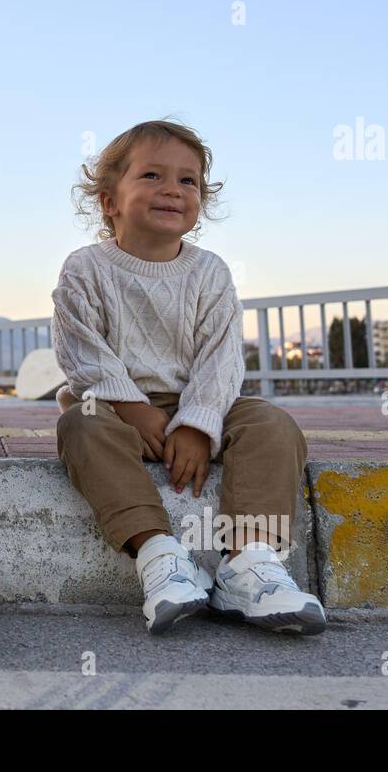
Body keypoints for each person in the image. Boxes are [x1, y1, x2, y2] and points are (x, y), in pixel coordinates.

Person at [52, 120, 326, 635]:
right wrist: (133, 408)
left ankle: (250, 565)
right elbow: (80, 351)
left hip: (200, 402)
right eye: (152, 175)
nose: (172, 190)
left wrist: (198, 423)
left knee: (272, 423)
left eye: (188, 181)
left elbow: (222, 358)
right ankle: (159, 554)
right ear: (109, 200)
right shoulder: (85, 268)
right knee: (79, 425)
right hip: (115, 407)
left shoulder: (210, 272)